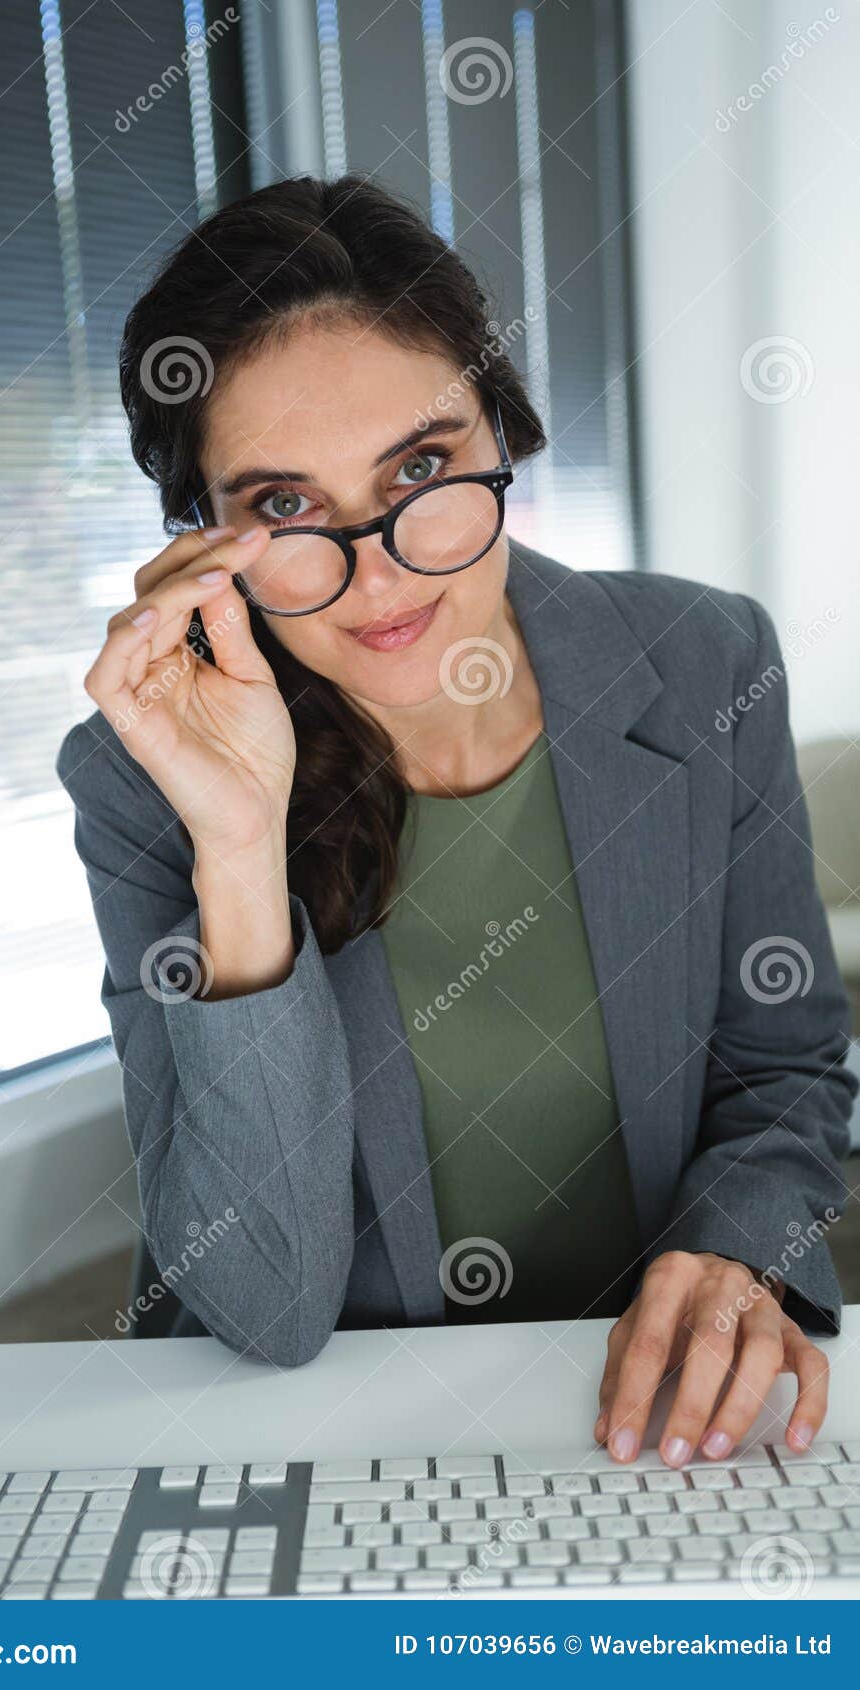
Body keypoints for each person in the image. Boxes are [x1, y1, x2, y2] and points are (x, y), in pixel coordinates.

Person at [57, 175, 855, 1470]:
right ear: (205, 546)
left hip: (654, 1423)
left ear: (505, 431)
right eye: (286, 507)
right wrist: (239, 844)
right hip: (340, 1438)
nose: (380, 573)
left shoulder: (704, 659)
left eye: (420, 469)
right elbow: (262, 1303)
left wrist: (736, 1250)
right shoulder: (142, 775)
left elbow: (788, 1067)